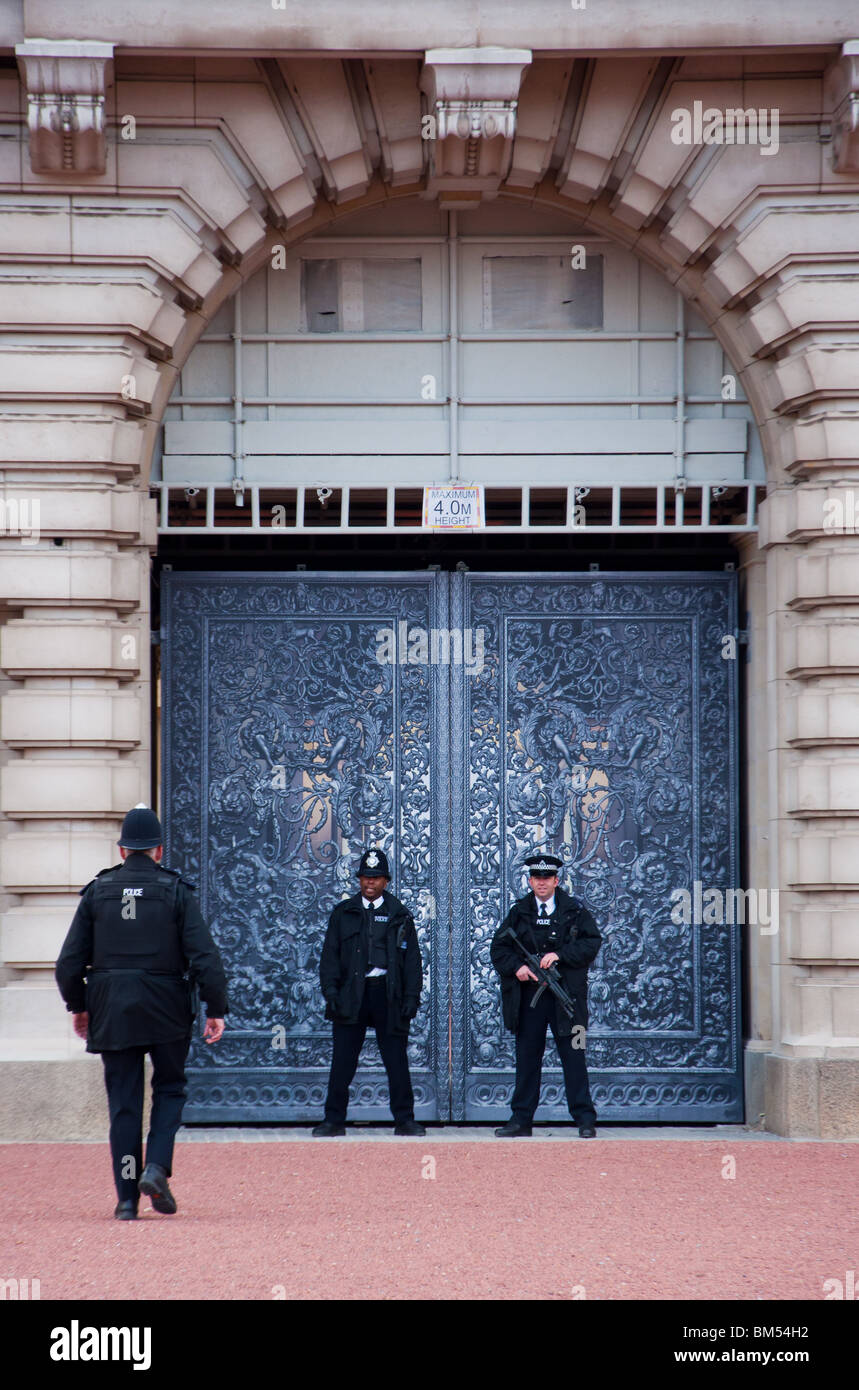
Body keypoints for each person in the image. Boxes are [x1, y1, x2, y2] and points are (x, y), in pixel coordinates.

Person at [55, 804, 228, 1218]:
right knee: (169, 1089)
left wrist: (79, 1007)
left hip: (112, 1009)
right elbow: (205, 957)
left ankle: (127, 1199)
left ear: (121, 851)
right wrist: (215, 1008)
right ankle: (156, 1166)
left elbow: (67, 965)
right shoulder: (175, 891)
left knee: (125, 1104)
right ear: (159, 850)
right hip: (166, 1006)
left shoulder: (98, 892)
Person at [314, 847, 425, 1136]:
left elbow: (412, 960)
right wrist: (332, 993)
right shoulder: (344, 913)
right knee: (342, 1061)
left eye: (375, 878)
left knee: (396, 1061)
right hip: (352, 993)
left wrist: (411, 997)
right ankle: (333, 1120)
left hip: (387, 994)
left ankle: (404, 1120)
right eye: (365, 877)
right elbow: (329, 957)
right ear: (359, 880)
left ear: (386, 881)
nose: (370, 883)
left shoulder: (399, 914)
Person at [490, 853, 602, 1138]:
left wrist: (559, 956)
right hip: (530, 1000)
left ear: (556, 880)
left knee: (574, 1055)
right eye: (537, 879)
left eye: (546, 878)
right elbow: (499, 949)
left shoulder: (574, 911)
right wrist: (518, 968)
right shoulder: (519, 912)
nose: (541, 883)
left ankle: (585, 1119)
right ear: (530, 881)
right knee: (527, 1058)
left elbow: (592, 943)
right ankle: (521, 1120)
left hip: (568, 999)